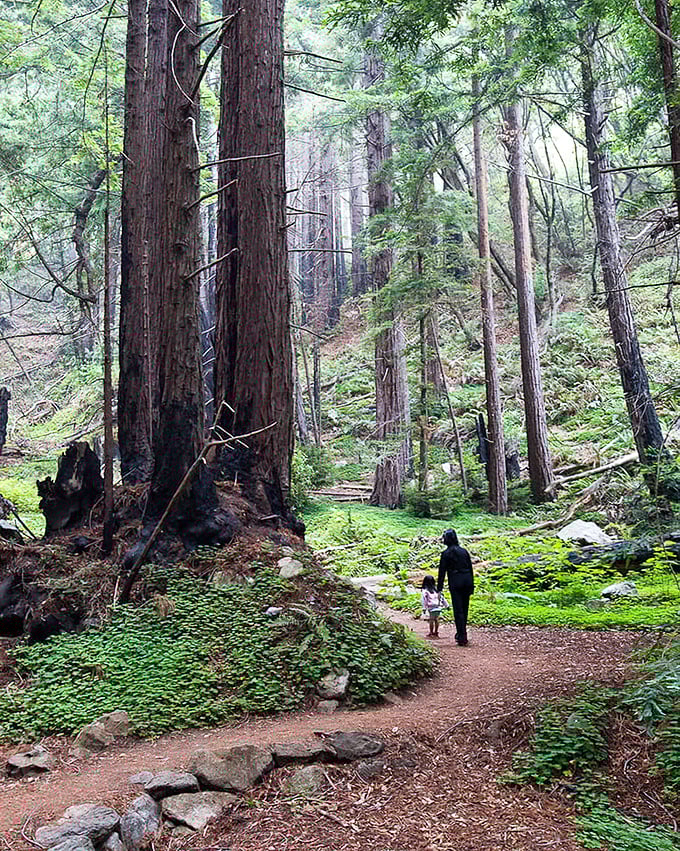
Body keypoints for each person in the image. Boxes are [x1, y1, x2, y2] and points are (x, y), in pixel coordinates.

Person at [437, 528, 474, 646]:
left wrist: (439, 588)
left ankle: (462, 636)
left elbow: (442, 572)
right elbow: (470, 568)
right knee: (465, 608)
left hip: (455, 582)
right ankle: (462, 634)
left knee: (458, 610)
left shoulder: (446, 554)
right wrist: (472, 584)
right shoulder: (464, 551)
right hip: (467, 580)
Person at [421, 574, 445, 639]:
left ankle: (431, 632)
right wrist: (446, 605)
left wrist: (424, 608)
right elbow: (442, 598)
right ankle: (436, 632)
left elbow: (423, 600)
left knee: (431, 620)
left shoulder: (425, 591)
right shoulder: (436, 590)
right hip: (438, 606)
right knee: (437, 619)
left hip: (431, 607)